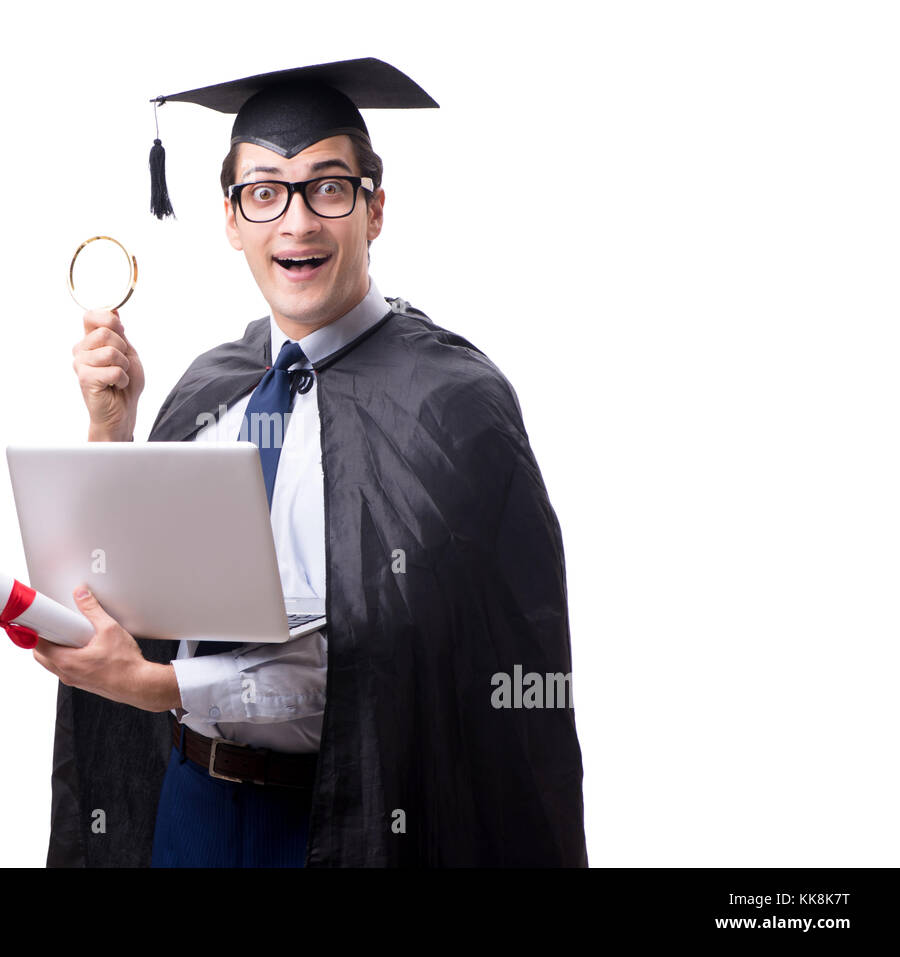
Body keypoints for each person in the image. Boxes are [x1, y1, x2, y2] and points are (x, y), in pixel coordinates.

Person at [32, 59, 588, 867]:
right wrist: (111, 429)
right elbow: (132, 595)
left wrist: (165, 688)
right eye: (265, 192)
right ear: (231, 219)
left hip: (347, 821)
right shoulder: (210, 386)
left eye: (328, 187)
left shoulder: (451, 405)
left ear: (376, 208)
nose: (296, 222)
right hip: (191, 811)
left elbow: (397, 661)